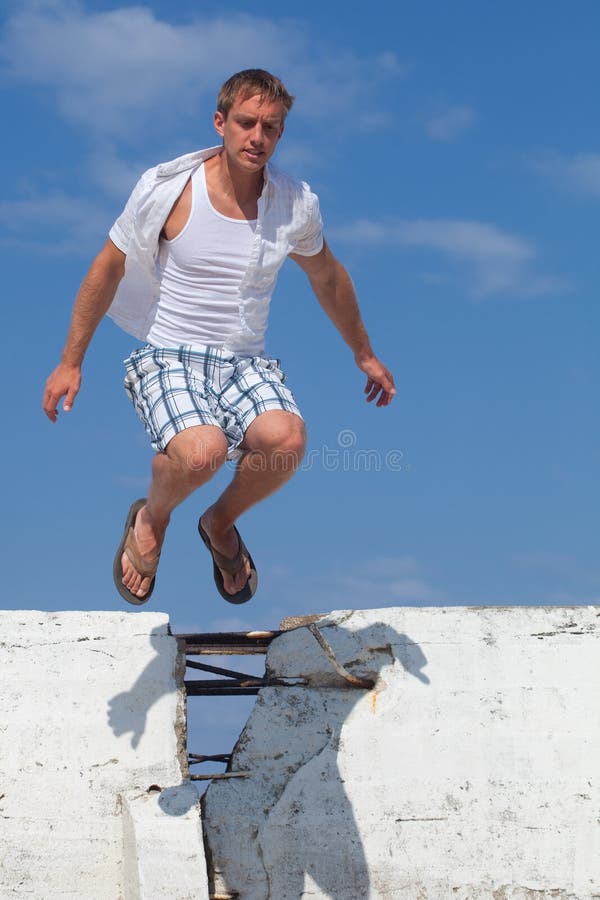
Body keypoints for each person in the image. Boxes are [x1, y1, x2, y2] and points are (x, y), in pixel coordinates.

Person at [43, 69, 395, 606]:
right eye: (246, 123)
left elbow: (327, 275)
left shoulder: (293, 203)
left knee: (287, 441)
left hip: (245, 363)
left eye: (271, 128)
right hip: (169, 354)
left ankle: (219, 522)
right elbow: (108, 266)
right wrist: (71, 361)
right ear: (220, 122)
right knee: (202, 453)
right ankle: (152, 518)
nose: (257, 137)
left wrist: (364, 353)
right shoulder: (168, 190)